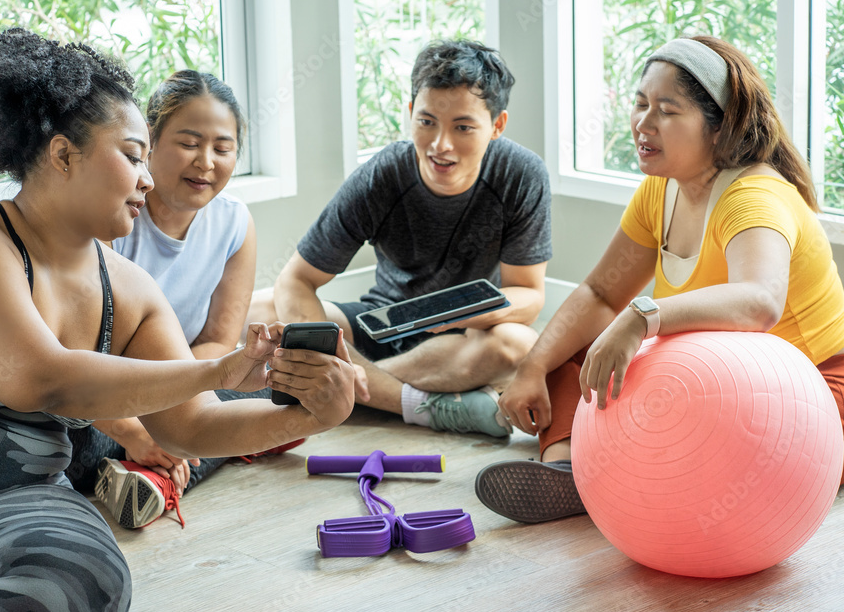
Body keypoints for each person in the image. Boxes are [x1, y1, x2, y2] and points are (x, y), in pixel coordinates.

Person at [0, 28, 353, 612]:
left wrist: (312, 415)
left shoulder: (132, 292)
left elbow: (192, 425)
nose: (147, 178)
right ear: (63, 155)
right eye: (135, 156)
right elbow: (41, 381)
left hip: (9, 505)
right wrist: (215, 368)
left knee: (83, 574)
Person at [475, 35, 844, 524]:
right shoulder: (660, 189)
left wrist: (643, 316)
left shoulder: (754, 198)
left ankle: (627, 472)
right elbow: (600, 294)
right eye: (640, 103)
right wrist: (532, 369)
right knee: (575, 353)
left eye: (667, 111)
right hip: (717, 377)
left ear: (719, 128)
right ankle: (565, 468)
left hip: (809, 391)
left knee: (718, 444)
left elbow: (760, 302)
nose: (643, 124)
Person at [255, 39, 551, 438]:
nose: (440, 145)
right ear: (411, 113)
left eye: (463, 127)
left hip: (459, 340)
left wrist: (464, 312)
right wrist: (345, 359)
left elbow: (529, 294)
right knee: (259, 309)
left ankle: (342, 391)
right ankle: (419, 406)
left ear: (497, 126)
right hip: (379, 323)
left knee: (517, 343)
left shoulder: (521, 175)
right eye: (427, 122)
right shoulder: (382, 175)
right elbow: (296, 280)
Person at [64, 69, 277, 530]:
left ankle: (147, 482)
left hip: (179, 385)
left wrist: (170, 408)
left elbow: (220, 341)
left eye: (223, 148)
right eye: (188, 143)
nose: (206, 162)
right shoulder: (113, 220)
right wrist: (133, 428)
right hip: (99, 398)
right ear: (150, 143)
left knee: (269, 385)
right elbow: (76, 362)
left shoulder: (234, 223)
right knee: (66, 435)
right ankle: (152, 471)